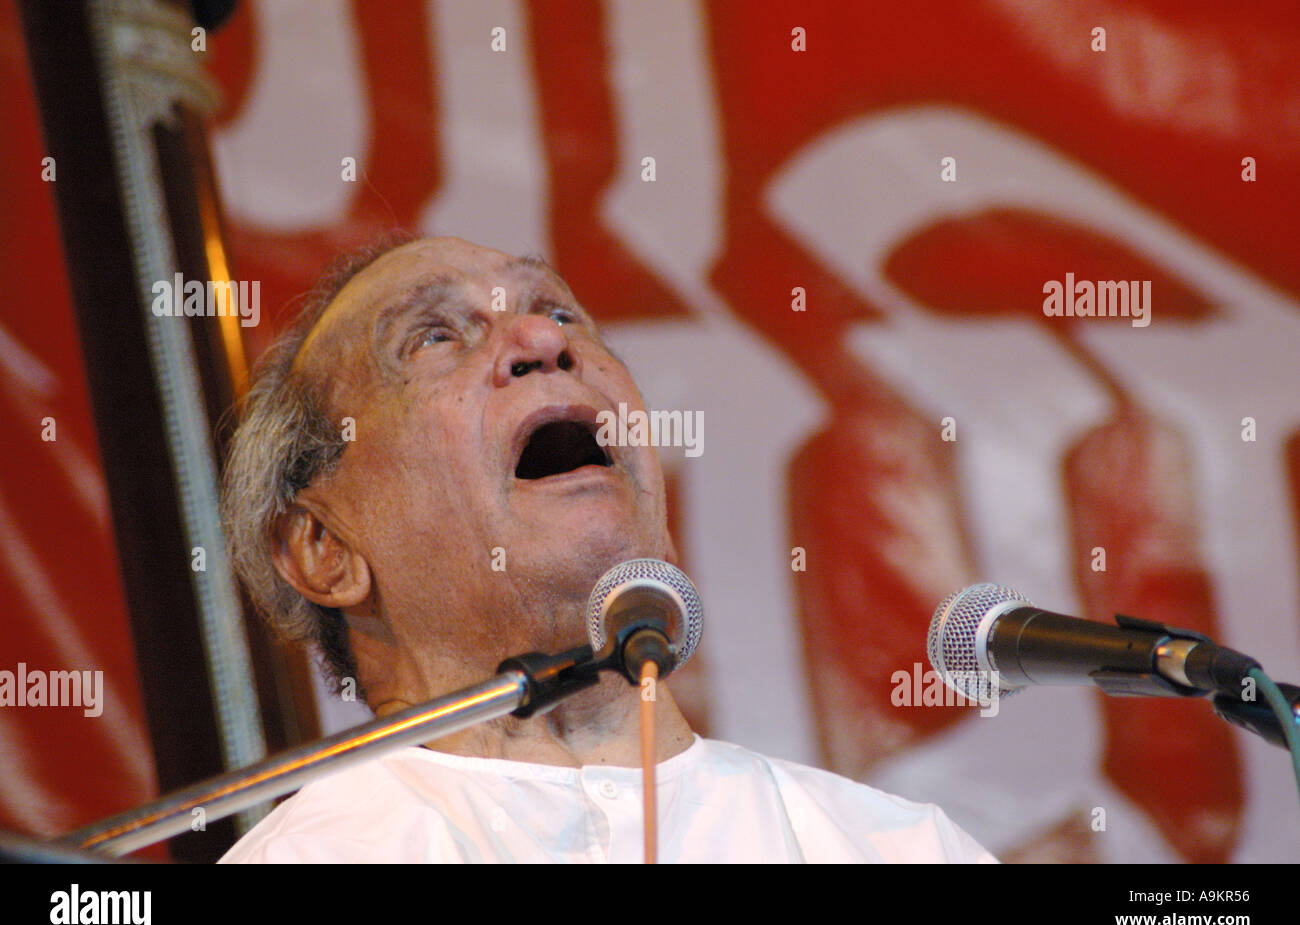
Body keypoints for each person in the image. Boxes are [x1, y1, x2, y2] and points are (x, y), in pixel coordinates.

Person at [218, 235, 996, 863]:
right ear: (322, 547)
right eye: (434, 337)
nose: (541, 340)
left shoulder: (897, 848)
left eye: (562, 313)